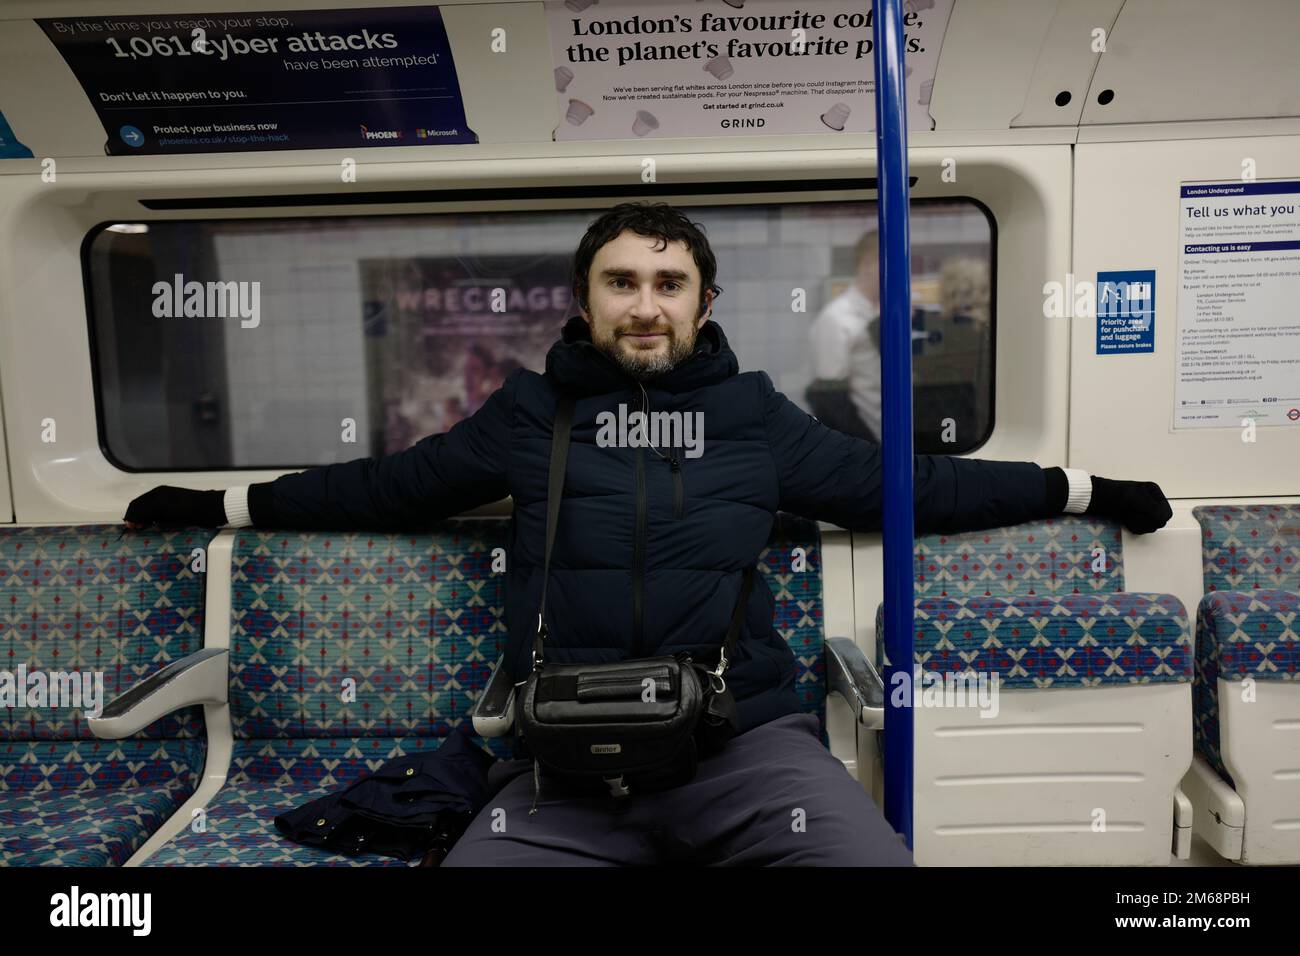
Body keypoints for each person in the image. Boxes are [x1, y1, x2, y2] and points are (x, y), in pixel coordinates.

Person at [124, 201, 1172, 866]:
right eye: (620, 282)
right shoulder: (529, 413)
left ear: (703, 301)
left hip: (744, 748)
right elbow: (387, 486)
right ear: (584, 303)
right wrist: (221, 506)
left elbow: (915, 485)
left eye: (667, 284)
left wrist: (1077, 485)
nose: (644, 305)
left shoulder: (756, 416)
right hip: (560, 768)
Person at [807, 228, 883, 443]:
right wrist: (866, 451)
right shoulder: (835, 319)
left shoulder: (886, 312)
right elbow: (830, 400)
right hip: (865, 441)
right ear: (868, 263)